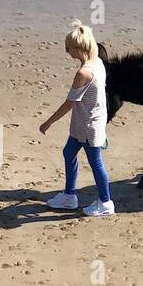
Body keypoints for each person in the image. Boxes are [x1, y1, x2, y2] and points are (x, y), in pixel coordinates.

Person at [40, 21, 114, 217]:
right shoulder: (97, 61)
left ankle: (105, 202)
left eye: (69, 48)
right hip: (87, 121)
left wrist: (48, 122)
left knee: (95, 162)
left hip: (88, 125)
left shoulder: (83, 73)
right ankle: (69, 196)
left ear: (79, 48)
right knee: (69, 153)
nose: (66, 51)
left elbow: (68, 104)